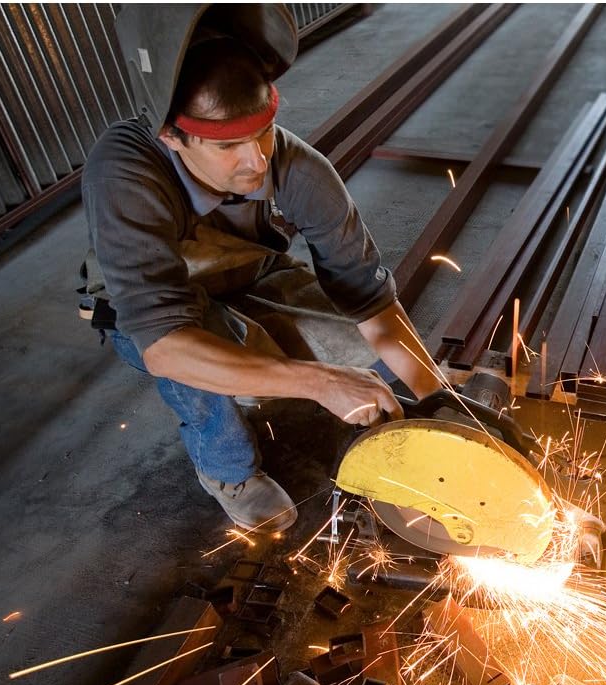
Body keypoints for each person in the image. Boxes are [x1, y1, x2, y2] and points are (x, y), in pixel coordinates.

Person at [80, 5, 441, 534]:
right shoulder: (123, 172)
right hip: (153, 311)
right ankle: (228, 473)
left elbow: (371, 303)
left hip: (247, 270)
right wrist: (319, 382)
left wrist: (440, 405)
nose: (256, 161)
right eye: (228, 146)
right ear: (172, 137)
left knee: (346, 344)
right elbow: (167, 346)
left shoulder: (297, 167)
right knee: (198, 369)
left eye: (265, 133)